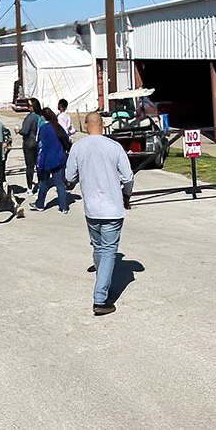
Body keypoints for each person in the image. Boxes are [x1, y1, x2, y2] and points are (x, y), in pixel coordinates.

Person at [65, 111, 134, 317]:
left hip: (92, 209)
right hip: (112, 207)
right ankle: (100, 298)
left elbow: (69, 176)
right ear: (102, 125)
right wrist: (126, 194)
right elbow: (128, 177)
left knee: (98, 247)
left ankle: (102, 280)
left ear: (86, 126)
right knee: (109, 250)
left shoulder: (78, 147)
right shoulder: (114, 147)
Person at [30, 109, 69, 214]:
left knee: (43, 183)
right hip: (59, 158)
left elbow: (41, 145)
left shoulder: (43, 128)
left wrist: (38, 162)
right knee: (60, 184)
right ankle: (63, 206)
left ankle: (40, 204)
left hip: (47, 160)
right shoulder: (57, 126)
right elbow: (66, 139)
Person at [18, 97, 42, 195]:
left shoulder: (30, 117)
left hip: (29, 142)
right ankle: (40, 185)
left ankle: (29, 188)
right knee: (39, 165)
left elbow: (24, 131)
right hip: (39, 142)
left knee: (30, 166)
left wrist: (18, 131)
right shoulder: (40, 117)